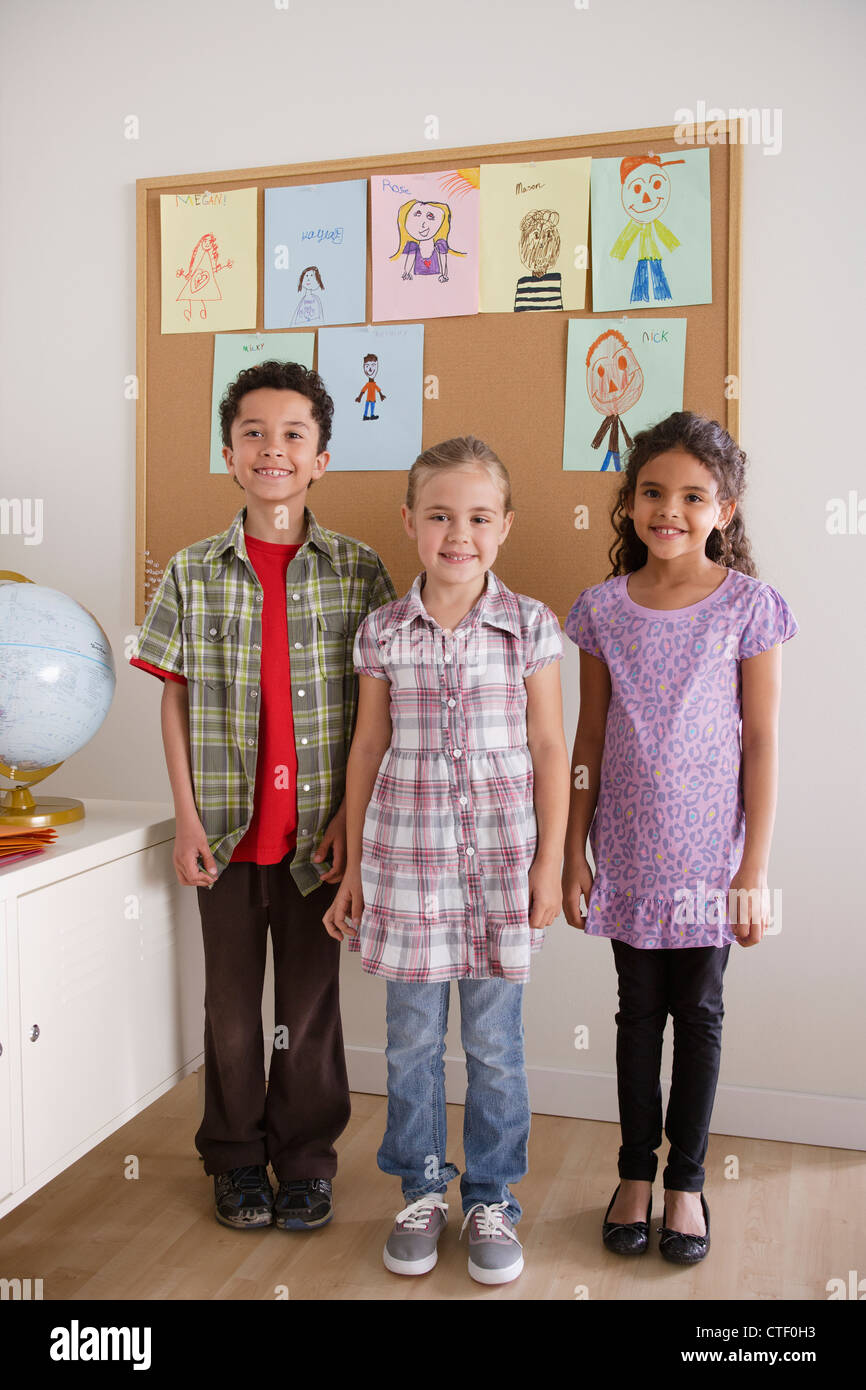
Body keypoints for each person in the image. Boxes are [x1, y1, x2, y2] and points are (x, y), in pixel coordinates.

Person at [130, 359, 396, 1232]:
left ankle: (307, 1162)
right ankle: (237, 1160)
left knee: (310, 1013)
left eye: (293, 435)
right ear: (228, 452)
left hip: (319, 843)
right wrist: (186, 819)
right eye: (253, 433)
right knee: (233, 1014)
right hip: (228, 836)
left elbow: (378, 716)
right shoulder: (191, 569)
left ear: (322, 456)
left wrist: (354, 836)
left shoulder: (359, 572)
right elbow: (172, 695)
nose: (272, 449)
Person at [322, 436, 570, 1285]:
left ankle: (493, 1195)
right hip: (407, 864)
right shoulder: (384, 631)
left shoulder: (531, 624)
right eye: (439, 516)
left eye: (476, 517)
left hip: (503, 865)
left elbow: (547, 745)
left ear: (504, 527)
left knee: (497, 1044)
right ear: (410, 523)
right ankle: (422, 1187)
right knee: (411, 1043)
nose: (457, 534)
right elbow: (366, 750)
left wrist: (547, 866)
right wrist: (354, 868)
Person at [561, 411, 798, 1264]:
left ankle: (686, 1184)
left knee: (698, 1015)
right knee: (635, 1016)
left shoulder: (748, 609)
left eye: (693, 496)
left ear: (724, 510)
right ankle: (633, 1173)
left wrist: (753, 868)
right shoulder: (601, 611)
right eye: (653, 492)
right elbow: (588, 741)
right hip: (625, 853)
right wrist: (570, 853)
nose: (670, 510)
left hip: (708, 861)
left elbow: (763, 740)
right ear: (628, 504)